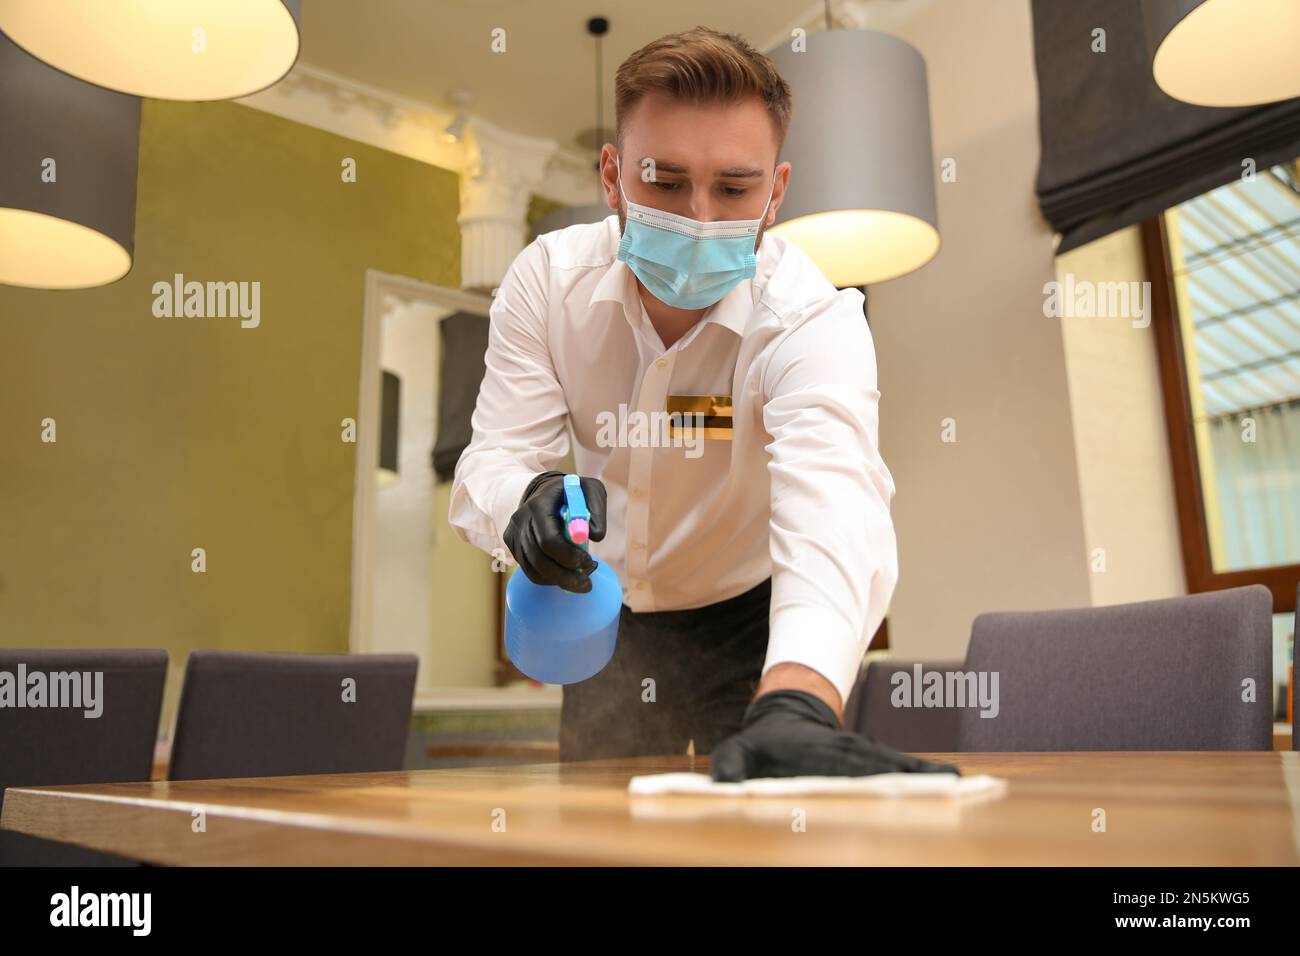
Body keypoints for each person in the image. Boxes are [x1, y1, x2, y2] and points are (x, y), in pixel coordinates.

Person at [449, 26, 956, 781]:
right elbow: (490, 459)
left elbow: (837, 498)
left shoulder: (810, 317)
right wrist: (524, 500)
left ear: (776, 193)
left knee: (766, 835)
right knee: (598, 842)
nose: (698, 220)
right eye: (664, 181)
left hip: (749, 621)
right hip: (605, 625)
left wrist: (802, 693)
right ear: (612, 175)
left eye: (733, 188)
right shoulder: (546, 284)